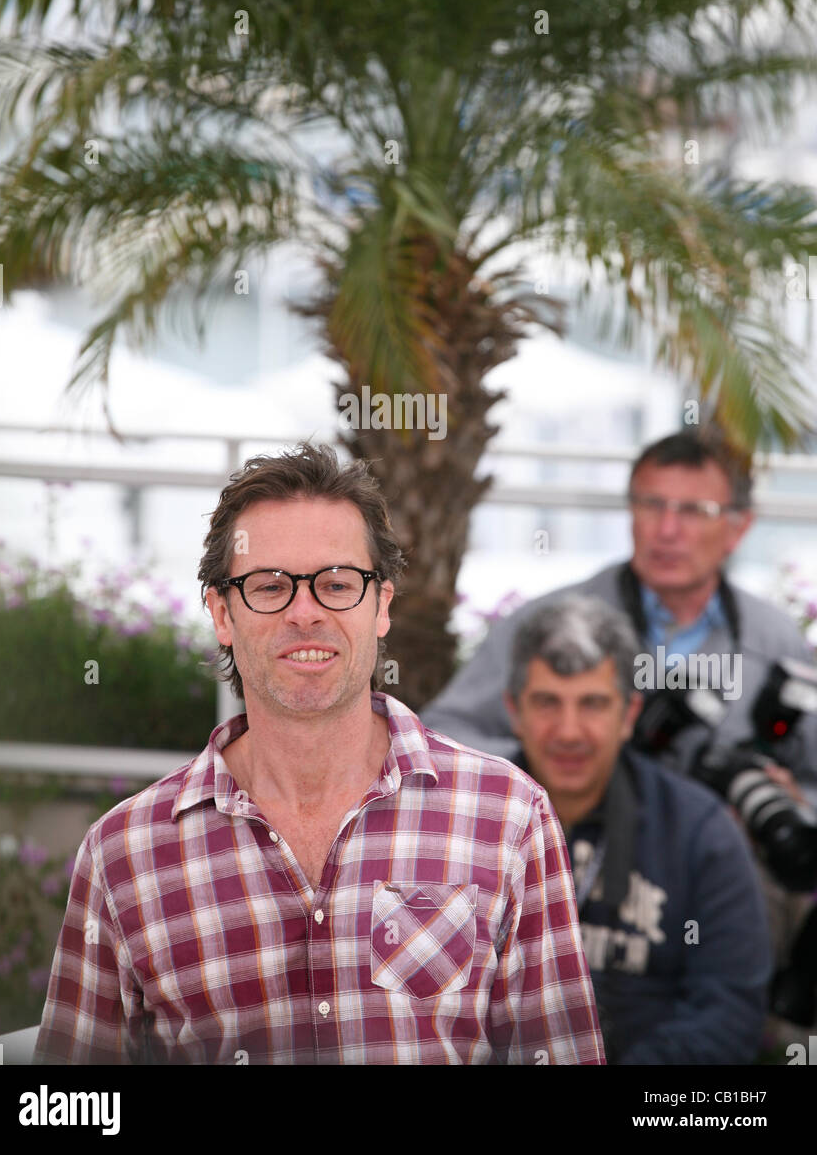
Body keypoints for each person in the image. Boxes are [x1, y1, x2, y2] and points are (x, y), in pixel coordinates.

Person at [34, 442, 604, 1066]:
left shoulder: (507, 817)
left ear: (382, 605)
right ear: (221, 613)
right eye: (269, 586)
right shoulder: (127, 854)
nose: (305, 613)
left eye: (336, 583)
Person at [423, 430, 817, 808]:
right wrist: (545, 764)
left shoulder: (772, 637)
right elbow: (439, 737)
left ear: (739, 527)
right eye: (651, 505)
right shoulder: (552, 623)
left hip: (719, 864)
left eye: (694, 511)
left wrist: (787, 800)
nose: (667, 530)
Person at [504, 594, 773, 1064]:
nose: (569, 732)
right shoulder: (461, 824)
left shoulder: (700, 832)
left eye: (592, 704)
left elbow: (730, 1012)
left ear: (629, 714)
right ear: (514, 712)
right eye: (548, 703)